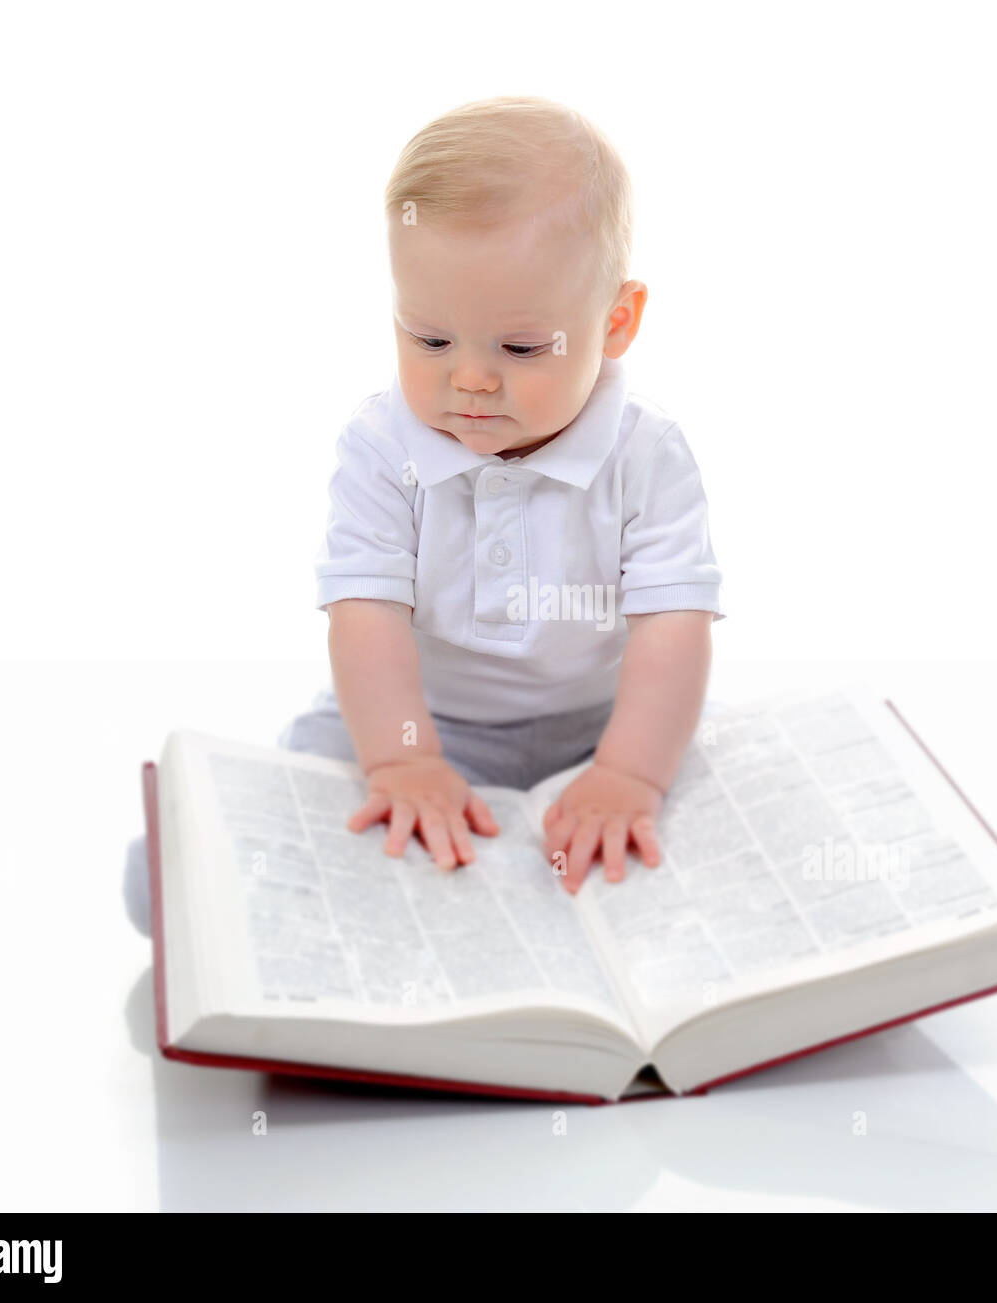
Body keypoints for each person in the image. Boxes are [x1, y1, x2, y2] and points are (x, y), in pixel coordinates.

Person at [124, 95, 724, 935]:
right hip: (412, 719)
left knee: (683, 856)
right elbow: (366, 615)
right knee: (167, 877)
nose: (470, 379)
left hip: (604, 730)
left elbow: (674, 626)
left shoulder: (647, 451)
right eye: (429, 339)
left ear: (616, 321)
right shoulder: (382, 445)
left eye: (519, 349)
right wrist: (402, 759)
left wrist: (629, 774)